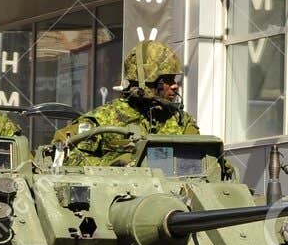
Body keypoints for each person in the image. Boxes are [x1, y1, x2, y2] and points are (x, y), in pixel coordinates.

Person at [54, 42, 201, 167]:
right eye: (168, 80)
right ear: (147, 82)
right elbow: (64, 156)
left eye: (174, 80)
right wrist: (113, 166)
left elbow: (200, 162)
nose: (175, 86)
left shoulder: (181, 122)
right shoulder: (104, 119)